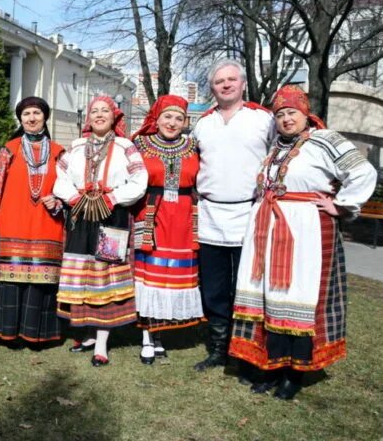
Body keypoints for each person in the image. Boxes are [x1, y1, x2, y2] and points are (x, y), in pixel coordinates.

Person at [229, 85, 376, 400]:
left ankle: (293, 374)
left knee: (298, 297)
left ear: (305, 113)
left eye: (291, 112)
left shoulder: (325, 140)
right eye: (280, 114)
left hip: (306, 232)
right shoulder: (275, 147)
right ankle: (269, 366)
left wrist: (343, 204)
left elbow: (362, 171)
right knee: (268, 297)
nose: (285, 119)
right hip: (266, 232)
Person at [191, 59, 275, 373]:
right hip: (211, 214)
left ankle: (246, 351)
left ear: (242, 84)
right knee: (213, 287)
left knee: (246, 287)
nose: (225, 85)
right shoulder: (203, 123)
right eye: (219, 81)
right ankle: (218, 349)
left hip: (249, 213)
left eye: (231, 80)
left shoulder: (262, 119)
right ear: (212, 87)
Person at [54, 96, 147, 366]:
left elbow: (140, 179)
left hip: (112, 214)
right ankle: (88, 334)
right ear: (88, 118)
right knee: (82, 276)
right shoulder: (76, 146)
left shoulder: (125, 146)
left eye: (104, 110)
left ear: (114, 116)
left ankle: (102, 343)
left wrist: (113, 197)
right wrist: (72, 197)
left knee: (105, 278)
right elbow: (59, 178)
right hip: (81, 215)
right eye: (94, 111)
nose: (99, 115)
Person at [0, 97, 65, 346]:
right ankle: (8, 332)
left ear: (45, 117)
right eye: (26, 114)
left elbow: (67, 188)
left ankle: (36, 333)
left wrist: (59, 202)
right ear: (20, 119)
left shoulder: (60, 152)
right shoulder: (9, 149)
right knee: (11, 280)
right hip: (12, 222)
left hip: (46, 223)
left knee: (41, 283)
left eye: (37, 113)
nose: (31, 118)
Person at [131, 95, 203, 364]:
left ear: (185, 122)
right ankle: (147, 337)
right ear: (156, 118)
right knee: (150, 278)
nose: (172, 123)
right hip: (150, 214)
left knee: (171, 278)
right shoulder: (140, 144)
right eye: (167, 117)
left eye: (178, 118)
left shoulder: (194, 146)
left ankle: (160, 333)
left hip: (184, 217)